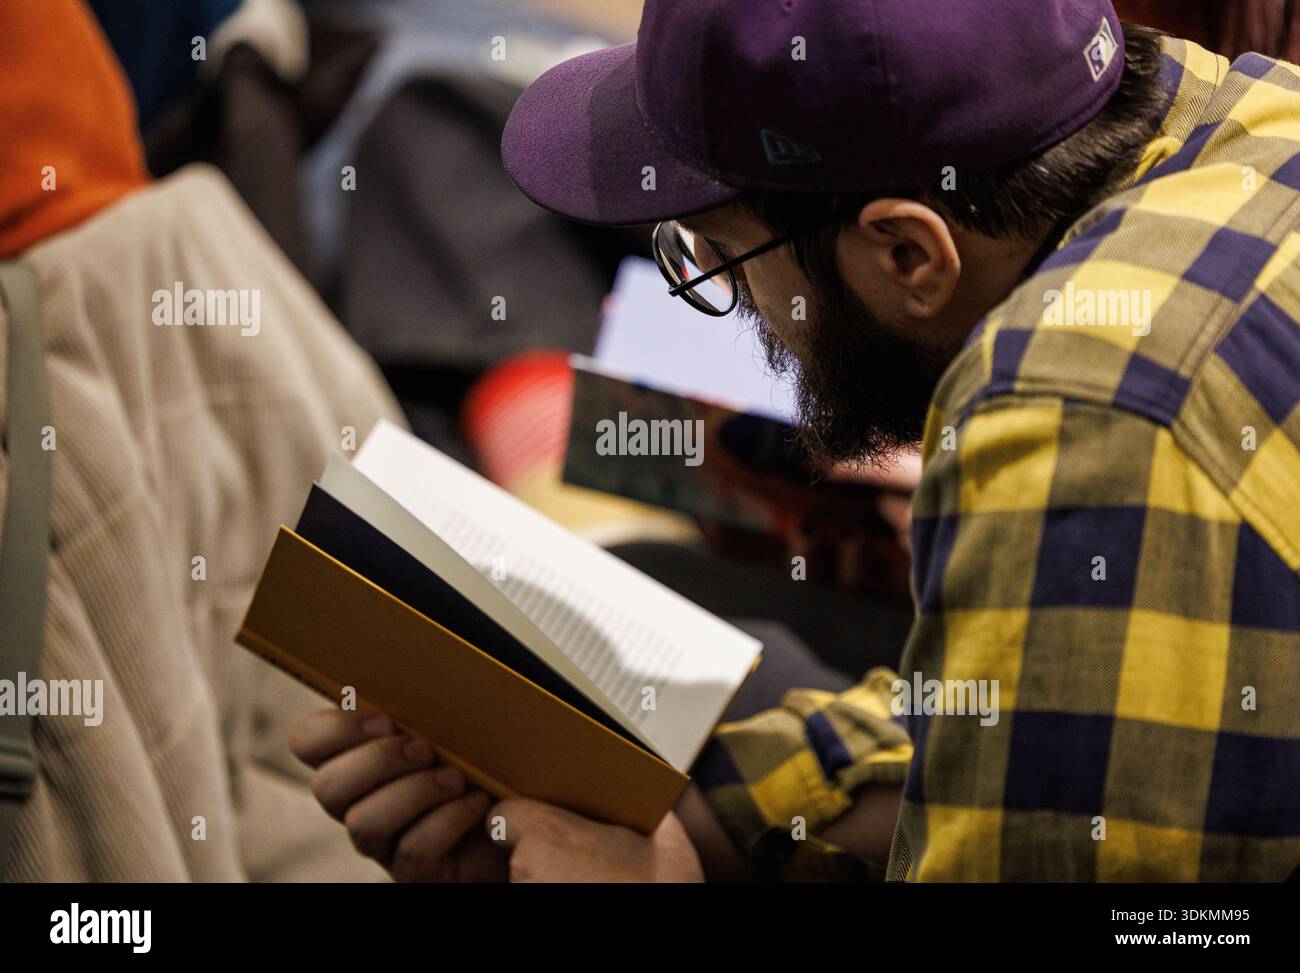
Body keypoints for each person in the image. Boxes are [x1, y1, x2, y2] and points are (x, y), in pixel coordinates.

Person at [290, 0, 1300, 881]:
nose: (735, 310)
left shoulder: (1074, 417)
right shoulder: (1239, 108)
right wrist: (681, 814)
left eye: (724, 254)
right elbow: (1010, 712)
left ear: (908, 252)